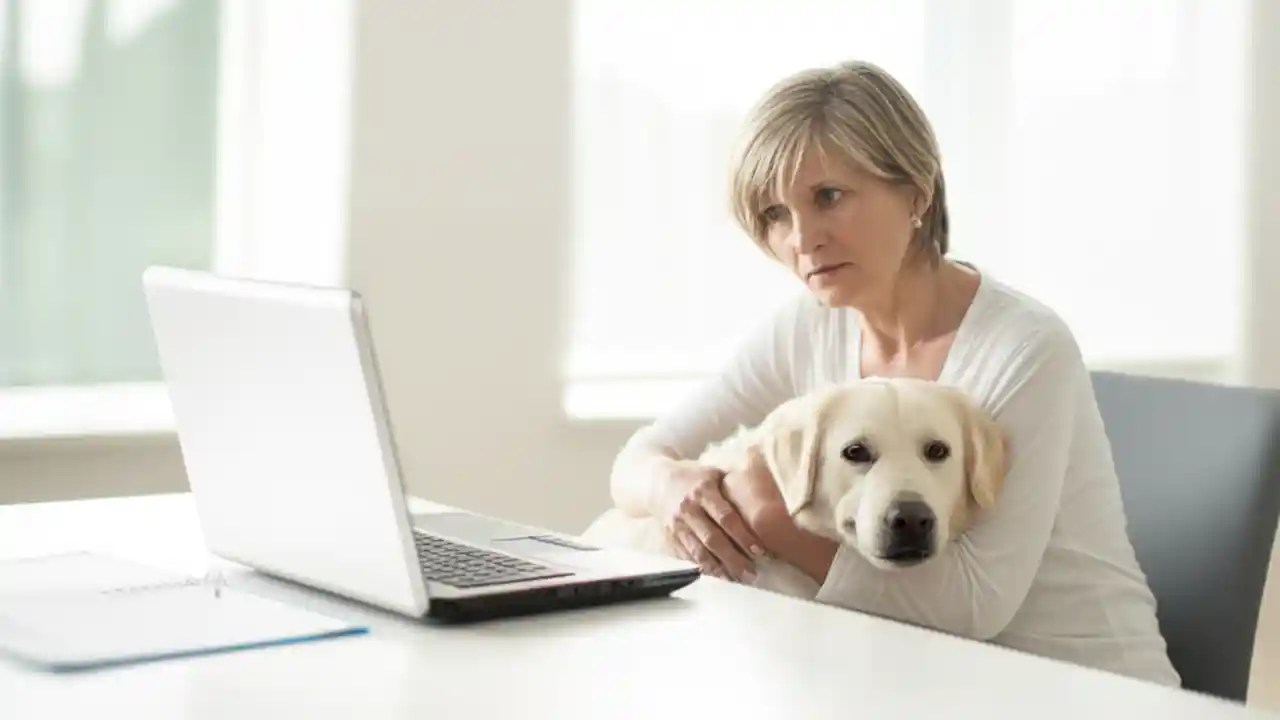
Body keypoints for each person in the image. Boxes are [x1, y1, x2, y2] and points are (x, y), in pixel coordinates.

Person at [606, 60, 1179, 686]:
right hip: (913, 676)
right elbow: (641, 456)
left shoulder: (1025, 347)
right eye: (775, 214)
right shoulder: (809, 325)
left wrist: (770, 513)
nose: (803, 239)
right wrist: (673, 491)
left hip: (1080, 687)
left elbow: (975, 606)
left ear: (916, 191)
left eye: (829, 197)